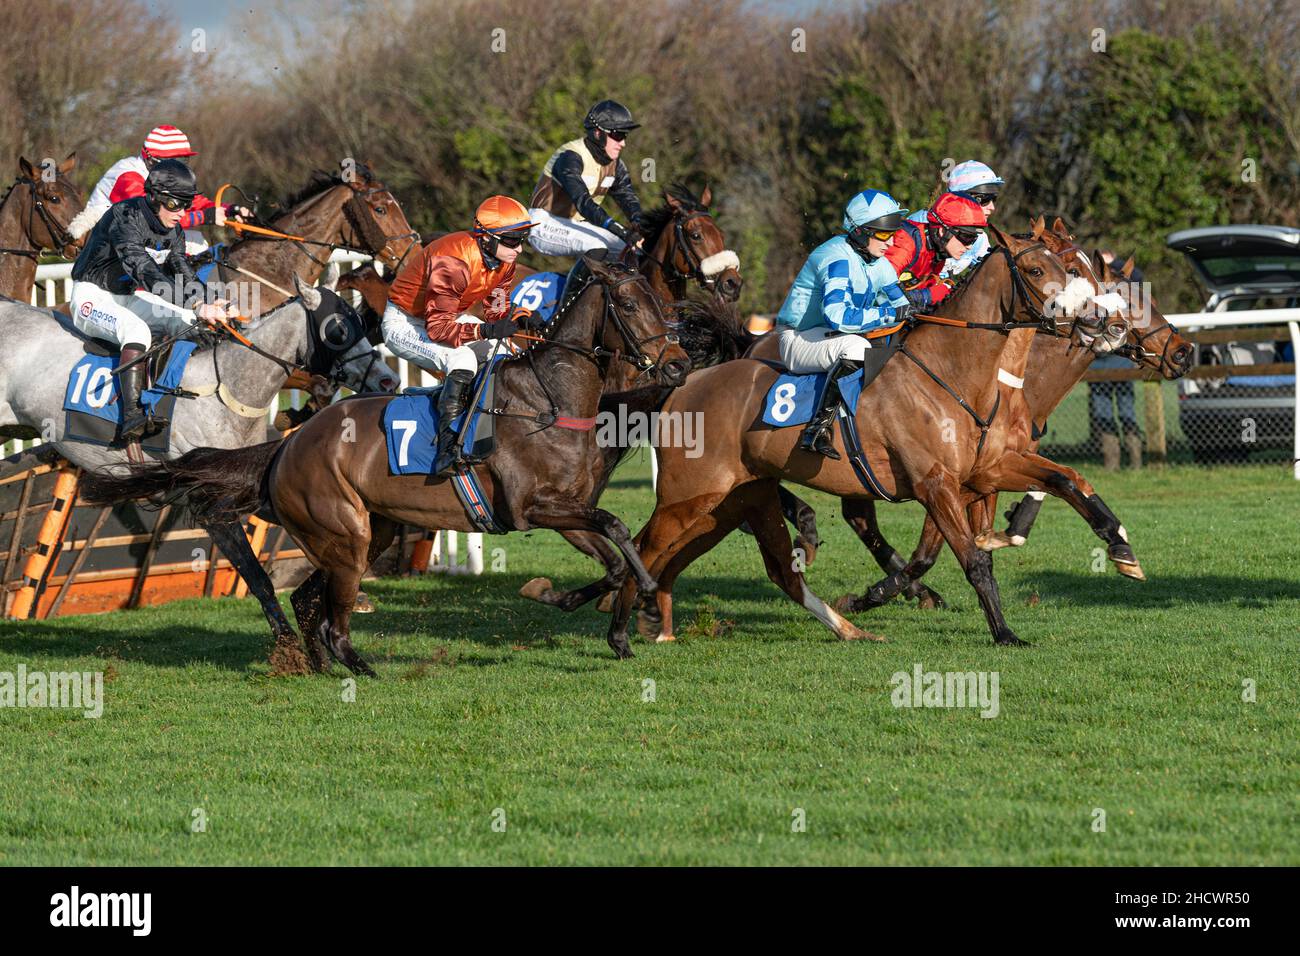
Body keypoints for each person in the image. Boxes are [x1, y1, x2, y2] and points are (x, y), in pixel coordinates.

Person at [70, 160, 235, 441]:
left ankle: (169, 396)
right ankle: (132, 415)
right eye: (174, 204)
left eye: (186, 205)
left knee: (185, 321)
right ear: (154, 196)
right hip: (91, 296)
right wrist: (197, 304)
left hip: (125, 298)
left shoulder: (174, 230)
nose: (181, 213)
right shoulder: (124, 217)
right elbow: (143, 270)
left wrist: (214, 302)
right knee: (137, 332)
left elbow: (184, 274)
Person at [383, 195, 544, 477]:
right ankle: (449, 447)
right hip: (405, 323)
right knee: (463, 358)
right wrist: (484, 330)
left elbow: (495, 312)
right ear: (485, 238)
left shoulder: (503, 260)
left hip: (447, 317)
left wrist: (520, 315)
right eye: (512, 240)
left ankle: (497, 432)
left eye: (523, 239)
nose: (519, 248)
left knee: (505, 354)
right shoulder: (453, 261)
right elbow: (439, 330)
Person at [774, 189, 910, 459]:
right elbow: (837, 315)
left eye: (893, 233)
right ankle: (817, 430)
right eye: (883, 234)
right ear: (859, 231)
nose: (891, 242)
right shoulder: (835, 257)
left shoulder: (878, 263)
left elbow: (901, 305)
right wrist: (889, 315)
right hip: (799, 338)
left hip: (829, 337)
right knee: (857, 347)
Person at [67, 125, 249, 255]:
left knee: (196, 241)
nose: (178, 168)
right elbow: (154, 217)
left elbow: (194, 203)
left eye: (183, 162)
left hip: (137, 233)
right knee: (191, 243)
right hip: (104, 242)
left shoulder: (161, 175)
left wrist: (230, 210)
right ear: (150, 159)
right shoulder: (128, 176)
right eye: (173, 162)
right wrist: (205, 217)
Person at [1090, 249, 1145, 469]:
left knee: (1126, 410)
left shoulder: (1125, 283)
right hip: (1099, 359)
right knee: (1102, 412)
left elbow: (1137, 276)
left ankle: (1136, 461)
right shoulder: (1093, 285)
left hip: (1119, 357)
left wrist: (1115, 266)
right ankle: (1111, 462)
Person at [884, 192, 987, 309]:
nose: (969, 246)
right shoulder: (906, 241)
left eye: (974, 239)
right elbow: (879, 293)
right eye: (967, 237)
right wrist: (928, 295)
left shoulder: (938, 254)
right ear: (943, 231)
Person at [936, 160, 1004, 277]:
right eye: (984, 199)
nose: (992, 207)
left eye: (994, 199)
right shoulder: (921, 226)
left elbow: (993, 275)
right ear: (959, 197)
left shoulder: (979, 239)